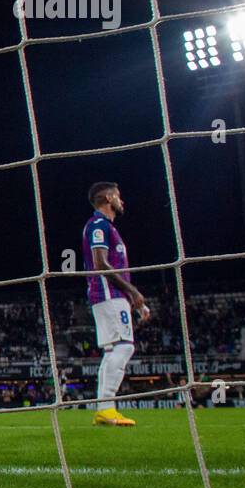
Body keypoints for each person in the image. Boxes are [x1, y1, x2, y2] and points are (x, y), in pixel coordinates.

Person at [83, 182, 150, 427]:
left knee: (113, 350)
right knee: (124, 347)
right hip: (107, 293)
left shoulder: (106, 227)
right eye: (118, 196)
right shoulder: (99, 225)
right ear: (108, 197)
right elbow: (100, 263)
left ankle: (105, 410)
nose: (122, 201)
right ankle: (106, 407)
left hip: (111, 295)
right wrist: (133, 292)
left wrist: (132, 297)